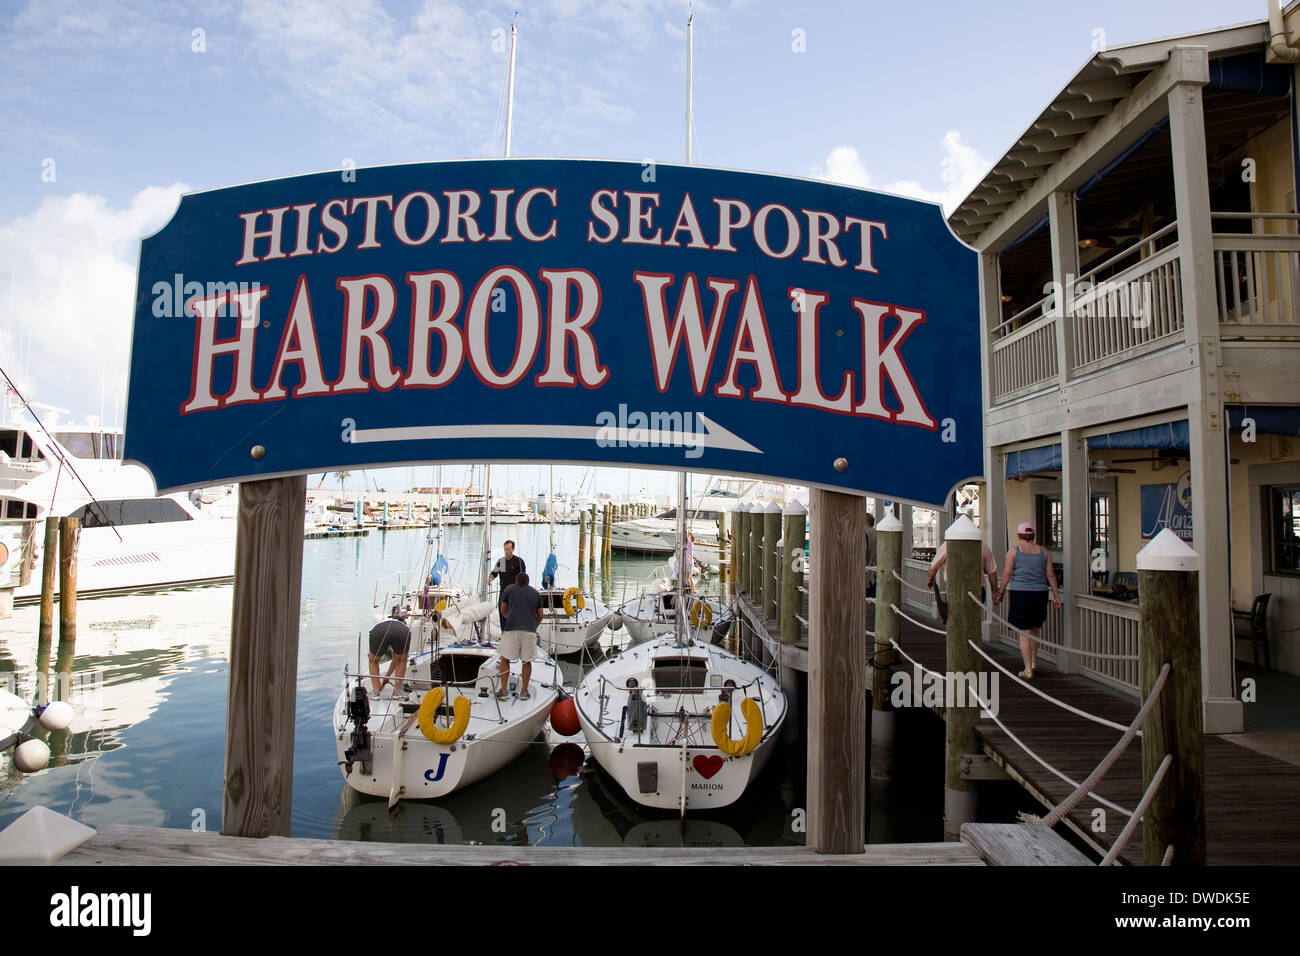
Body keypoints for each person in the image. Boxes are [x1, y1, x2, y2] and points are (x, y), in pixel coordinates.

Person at [997, 521, 1062, 680]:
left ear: (1019, 535)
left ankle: (1028, 670)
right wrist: (1057, 597)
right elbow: (1051, 575)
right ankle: (1033, 663)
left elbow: (1006, 574)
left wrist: (1000, 592)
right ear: (1032, 535)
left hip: (1021, 593)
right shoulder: (1043, 551)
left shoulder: (1014, 551)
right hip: (1040, 593)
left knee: (1024, 632)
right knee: (1034, 629)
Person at [498, 572, 543, 700]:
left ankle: (504, 691)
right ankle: (524, 691)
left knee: (505, 659)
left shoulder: (509, 590)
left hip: (511, 629)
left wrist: (509, 617)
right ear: (528, 582)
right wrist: (534, 625)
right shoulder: (535, 593)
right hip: (529, 630)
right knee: (526, 661)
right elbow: (540, 614)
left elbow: (503, 609)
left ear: (516, 581)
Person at [368, 606, 411, 695]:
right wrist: (387, 675)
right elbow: (397, 660)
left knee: (373, 660)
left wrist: (387, 675)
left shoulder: (382, 621)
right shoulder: (403, 626)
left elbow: (394, 660)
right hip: (401, 632)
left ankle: (376, 691)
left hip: (379, 631)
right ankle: (397, 691)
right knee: (401, 660)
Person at [488, 539, 525, 629]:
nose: (506, 552)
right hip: (503, 591)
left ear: (513, 549)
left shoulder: (518, 561)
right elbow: (494, 573)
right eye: (505, 549)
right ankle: (504, 631)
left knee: (513, 612)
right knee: (502, 611)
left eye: (508, 550)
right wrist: (490, 578)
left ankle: (513, 630)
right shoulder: (501, 561)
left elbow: (523, 576)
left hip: (515, 591)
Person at [864, 513, 877, 597]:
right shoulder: (879, 533)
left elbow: (863, 551)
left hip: (866, 573)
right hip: (878, 572)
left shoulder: (864, 533)